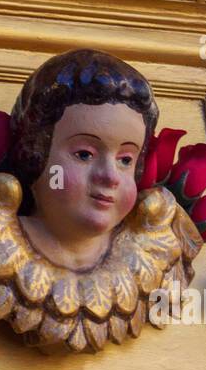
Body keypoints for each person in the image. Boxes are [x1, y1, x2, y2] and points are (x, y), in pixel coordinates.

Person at [8, 48, 157, 271]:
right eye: (84, 155)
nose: (110, 176)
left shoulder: (145, 264)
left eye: (125, 160)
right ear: (36, 154)